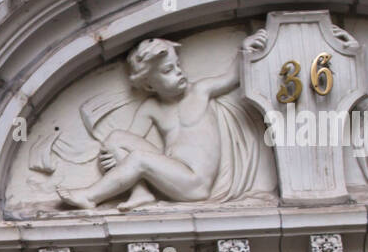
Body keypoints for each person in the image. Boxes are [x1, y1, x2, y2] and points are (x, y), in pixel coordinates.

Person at [58, 35, 260, 210]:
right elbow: (125, 143)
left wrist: (246, 49)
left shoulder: (200, 91)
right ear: (149, 85)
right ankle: (141, 193)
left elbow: (232, 78)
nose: (179, 72)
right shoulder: (151, 108)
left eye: (177, 66)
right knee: (115, 139)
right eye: (167, 71)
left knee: (138, 159)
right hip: (173, 172)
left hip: (194, 182)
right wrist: (113, 158)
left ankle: (90, 195)